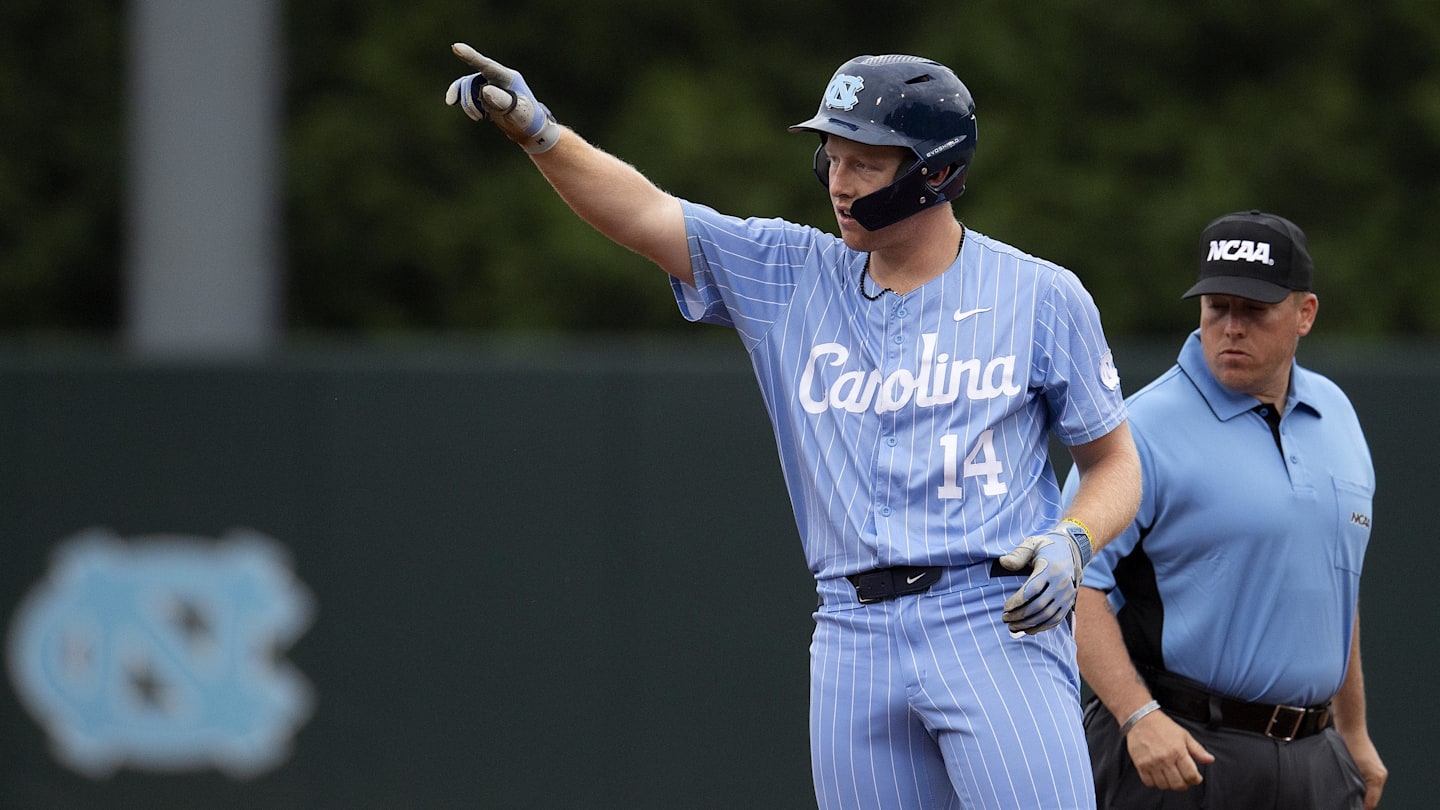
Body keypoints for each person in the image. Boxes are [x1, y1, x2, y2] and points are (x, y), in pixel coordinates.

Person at [446, 45, 1141, 809]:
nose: (838, 183)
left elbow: (1113, 463)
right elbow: (645, 213)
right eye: (831, 156)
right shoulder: (789, 274)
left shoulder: (1041, 294)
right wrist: (542, 134)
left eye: (866, 163)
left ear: (937, 171)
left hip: (991, 616)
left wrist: (1074, 540)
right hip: (851, 630)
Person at [1067, 210, 1388, 809]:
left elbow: (1334, 584)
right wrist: (1139, 717)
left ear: (1305, 314)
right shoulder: (1140, 428)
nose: (1231, 327)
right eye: (1218, 307)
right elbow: (1072, 584)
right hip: (1179, 756)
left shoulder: (1337, 413)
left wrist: (1354, 732)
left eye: (1255, 310)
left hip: (1314, 762)